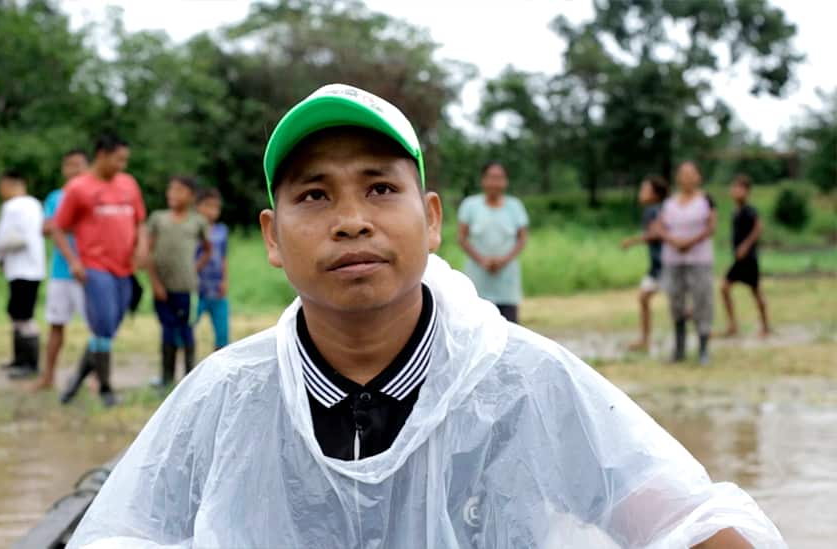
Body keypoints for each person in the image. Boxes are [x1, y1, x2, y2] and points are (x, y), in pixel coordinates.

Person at [67, 84, 783, 549]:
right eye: (314, 196)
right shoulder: (227, 395)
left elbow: (681, 518)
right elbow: (124, 532)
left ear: (432, 219)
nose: (352, 220)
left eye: (381, 188)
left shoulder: (522, 381)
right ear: (272, 237)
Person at [52, 134, 147, 407]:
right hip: (95, 268)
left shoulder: (128, 184)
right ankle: (105, 388)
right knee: (104, 326)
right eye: (118, 159)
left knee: (107, 330)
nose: (122, 165)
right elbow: (58, 228)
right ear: (102, 155)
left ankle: (75, 382)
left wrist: (141, 247)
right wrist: (73, 261)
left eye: (125, 160)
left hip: (124, 268)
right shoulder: (78, 188)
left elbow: (140, 221)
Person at [146, 175, 210, 387]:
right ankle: (166, 378)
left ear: (191, 196)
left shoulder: (197, 221)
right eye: (171, 189)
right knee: (167, 330)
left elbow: (208, 249)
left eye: (179, 190)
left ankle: (190, 379)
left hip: (187, 288)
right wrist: (155, 283)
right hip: (162, 289)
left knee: (186, 330)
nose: (173, 194)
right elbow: (147, 252)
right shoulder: (158, 219)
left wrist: (194, 268)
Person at [33, 149, 89, 391]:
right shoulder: (56, 197)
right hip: (60, 271)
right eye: (69, 165)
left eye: (79, 164)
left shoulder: (93, 196)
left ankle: (95, 378)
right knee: (56, 324)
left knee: (96, 329)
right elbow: (46, 228)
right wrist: (63, 224)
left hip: (89, 271)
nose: (74, 170)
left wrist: (61, 225)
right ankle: (48, 376)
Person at [657, 161, 717, 364]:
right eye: (683, 173)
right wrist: (673, 241)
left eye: (691, 173)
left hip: (699, 259)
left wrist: (690, 242)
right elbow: (660, 227)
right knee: (675, 300)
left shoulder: (706, 200)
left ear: (698, 177)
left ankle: (703, 348)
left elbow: (711, 226)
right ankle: (679, 348)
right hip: (673, 259)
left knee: (702, 300)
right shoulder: (669, 203)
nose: (687, 178)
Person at [457, 161, 529, 323]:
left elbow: (522, 238)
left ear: (506, 181)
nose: (495, 183)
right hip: (478, 280)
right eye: (491, 177)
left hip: (507, 282)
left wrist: (504, 261)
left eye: (499, 178)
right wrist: (482, 260)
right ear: (483, 180)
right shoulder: (470, 205)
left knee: (510, 327)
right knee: (476, 325)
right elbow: (461, 238)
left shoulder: (515, 206)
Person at [0, 170, 46, 379]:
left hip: (20, 268)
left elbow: (1, 238)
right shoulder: (35, 204)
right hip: (34, 267)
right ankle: (19, 358)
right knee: (17, 313)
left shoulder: (12, 206)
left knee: (23, 316)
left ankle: (30, 363)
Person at [621, 175, 669, 351]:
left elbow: (657, 234)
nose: (641, 193)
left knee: (674, 304)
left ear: (655, 194)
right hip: (657, 266)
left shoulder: (655, 210)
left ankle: (645, 339)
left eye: (645, 190)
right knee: (643, 298)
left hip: (665, 265)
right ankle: (645, 339)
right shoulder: (654, 210)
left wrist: (633, 241)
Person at [720, 174, 770, 337]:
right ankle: (732, 325)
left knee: (756, 292)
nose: (735, 191)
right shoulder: (735, 212)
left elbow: (759, 227)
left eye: (739, 188)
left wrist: (746, 246)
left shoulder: (750, 210)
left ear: (747, 191)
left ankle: (765, 326)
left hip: (749, 259)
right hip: (738, 260)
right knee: (724, 288)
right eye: (734, 188)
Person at [194, 187, 230, 351]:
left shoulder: (222, 231)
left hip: (216, 287)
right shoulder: (191, 230)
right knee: (187, 328)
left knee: (222, 331)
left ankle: (219, 361)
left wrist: (224, 281)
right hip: (196, 288)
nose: (212, 211)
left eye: (216, 207)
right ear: (197, 206)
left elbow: (223, 258)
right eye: (207, 206)